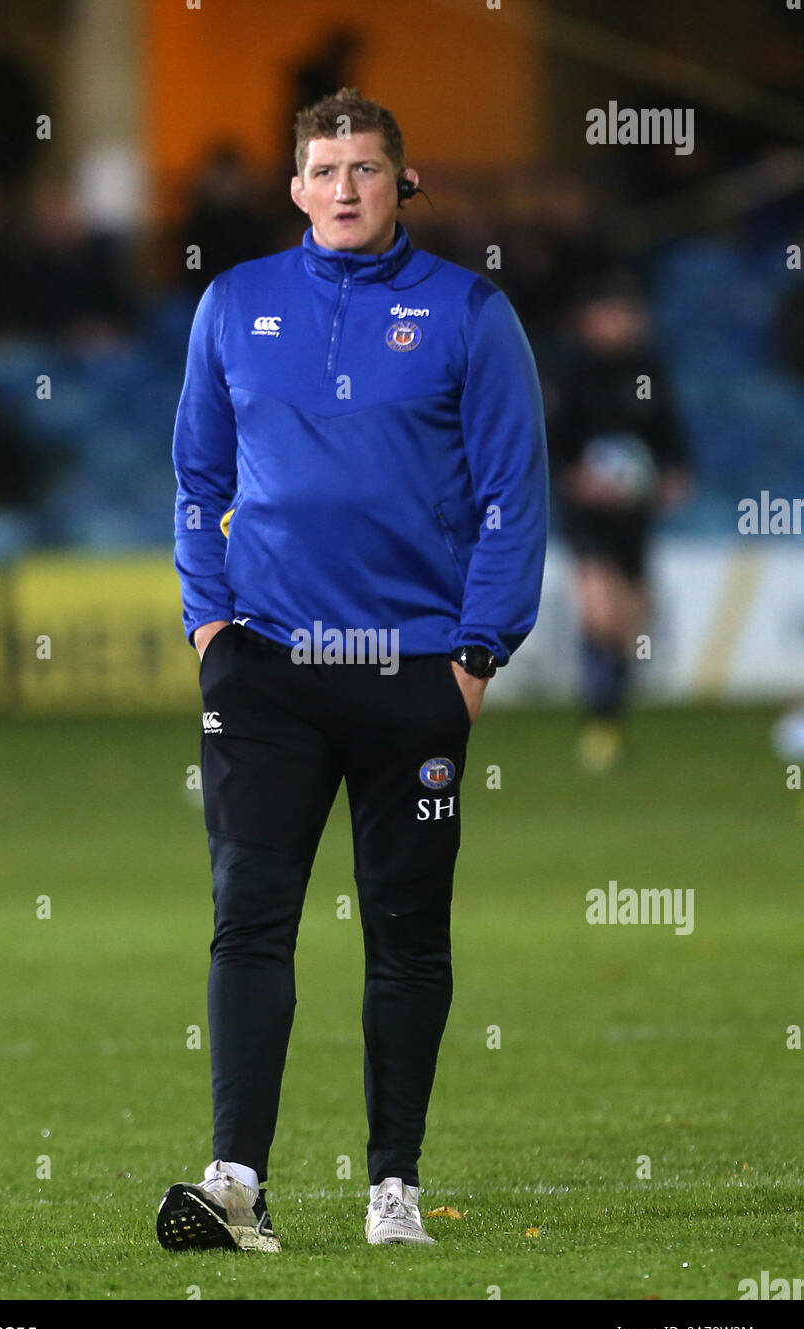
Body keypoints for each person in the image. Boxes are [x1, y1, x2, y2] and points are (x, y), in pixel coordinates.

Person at [158, 88, 548, 1253]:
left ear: (401, 183)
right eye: (323, 169)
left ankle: (394, 1189)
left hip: (412, 671)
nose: (343, 187)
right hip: (266, 675)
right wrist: (209, 635)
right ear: (293, 187)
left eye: (366, 169)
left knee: (407, 932)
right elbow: (195, 482)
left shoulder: (470, 313)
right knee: (248, 922)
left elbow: (512, 498)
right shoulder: (234, 304)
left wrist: (476, 658)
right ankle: (236, 1185)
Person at [546, 272, 691, 770]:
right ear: (591, 319)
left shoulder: (648, 370)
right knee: (599, 607)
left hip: (635, 513)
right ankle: (599, 722)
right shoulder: (570, 373)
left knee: (631, 618)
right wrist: (577, 476)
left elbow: (670, 434)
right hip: (588, 514)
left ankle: (612, 719)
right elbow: (552, 441)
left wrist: (674, 473)